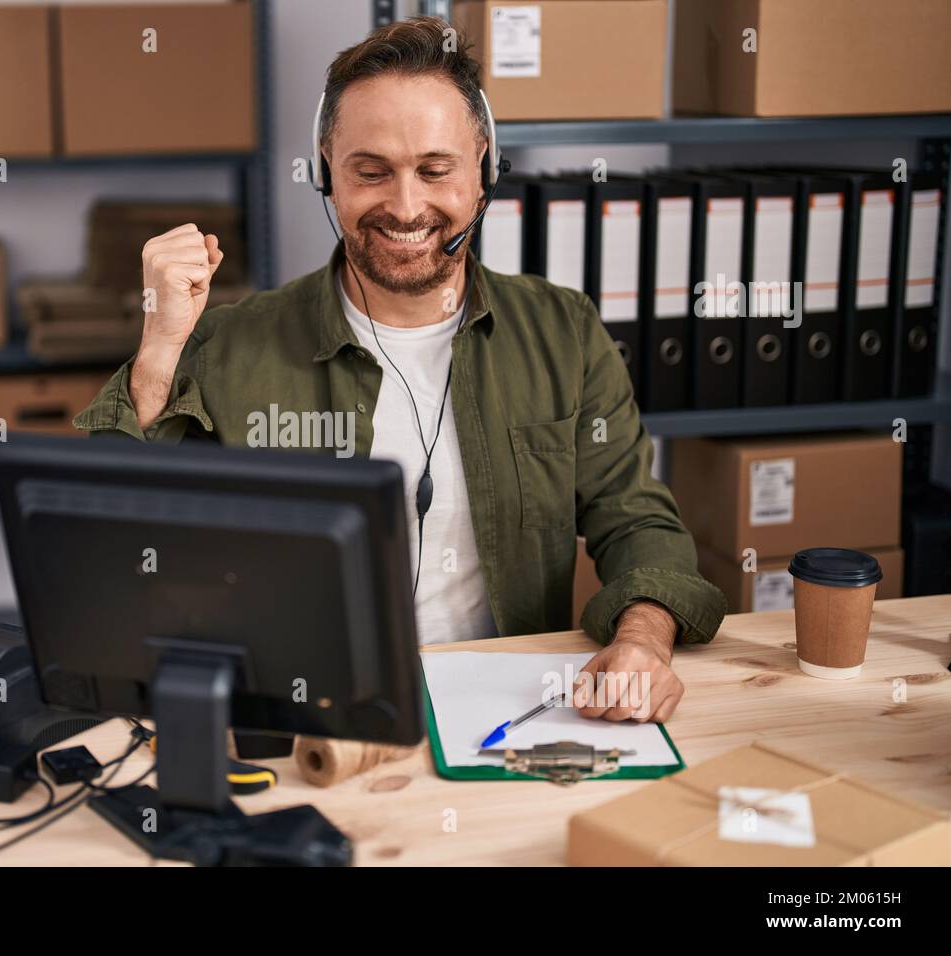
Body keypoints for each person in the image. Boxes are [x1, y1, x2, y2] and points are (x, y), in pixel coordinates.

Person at [74, 17, 726, 723]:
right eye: (371, 170)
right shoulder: (232, 343)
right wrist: (161, 347)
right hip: (295, 716)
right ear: (327, 171)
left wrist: (643, 638)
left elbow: (636, 521)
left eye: (436, 169)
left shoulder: (562, 332)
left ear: (485, 170)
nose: (407, 206)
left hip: (508, 714)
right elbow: (119, 546)